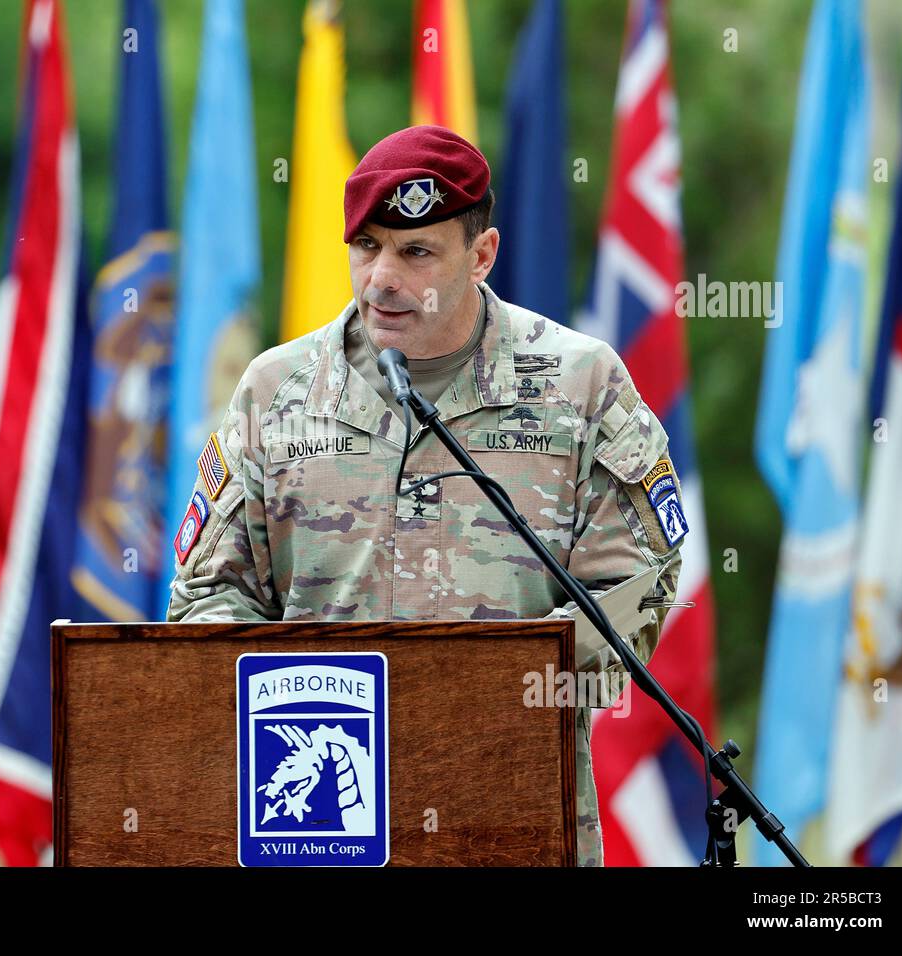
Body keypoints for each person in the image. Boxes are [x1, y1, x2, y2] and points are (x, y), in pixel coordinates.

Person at [166, 124, 688, 866]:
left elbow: (634, 587)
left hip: (509, 818)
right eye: (367, 246)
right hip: (316, 829)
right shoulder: (273, 392)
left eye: (415, 253)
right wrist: (312, 708)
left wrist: (482, 700)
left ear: (481, 256)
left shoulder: (580, 387)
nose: (382, 277)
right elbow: (208, 598)